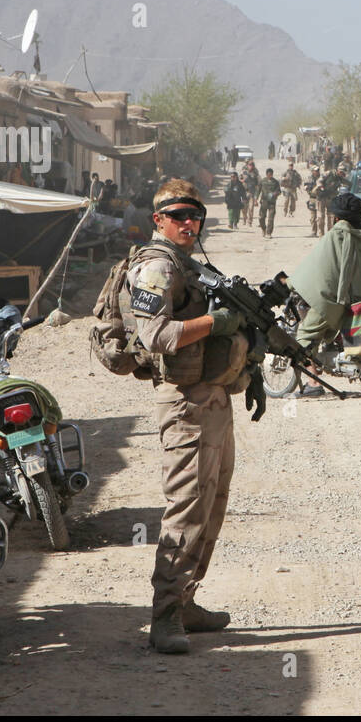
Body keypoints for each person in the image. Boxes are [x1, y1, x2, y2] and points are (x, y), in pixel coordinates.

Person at [126, 178, 244, 653]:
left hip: (213, 399)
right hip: (185, 406)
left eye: (196, 216)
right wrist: (216, 323)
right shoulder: (156, 266)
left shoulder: (187, 264)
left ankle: (188, 600)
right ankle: (165, 617)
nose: (189, 224)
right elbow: (156, 334)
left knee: (212, 506)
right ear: (159, 220)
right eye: (178, 217)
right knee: (185, 510)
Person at [286, 192, 361, 397]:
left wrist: (292, 283)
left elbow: (317, 269)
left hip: (336, 302)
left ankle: (312, 384)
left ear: (336, 217)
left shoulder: (335, 235)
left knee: (305, 337)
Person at [258, 168, 282, 238]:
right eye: (268, 174)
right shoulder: (262, 181)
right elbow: (258, 190)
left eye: (271, 174)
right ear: (266, 174)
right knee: (261, 217)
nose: (270, 176)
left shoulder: (275, 182)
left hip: (272, 202)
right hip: (264, 201)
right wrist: (255, 199)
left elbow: (279, 191)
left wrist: (275, 194)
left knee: (271, 218)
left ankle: (269, 232)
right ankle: (263, 229)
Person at [241, 162, 259, 226]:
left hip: (252, 193)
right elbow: (240, 180)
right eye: (249, 165)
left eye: (252, 165)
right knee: (244, 208)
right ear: (247, 166)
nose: (250, 166)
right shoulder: (244, 172)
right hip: (245, 193)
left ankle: (250, 221)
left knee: (251, 208)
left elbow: (257, 186)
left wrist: (256, 198)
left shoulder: (255, 174)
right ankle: (244, 219)